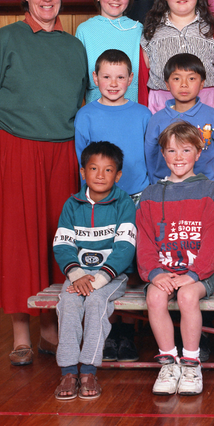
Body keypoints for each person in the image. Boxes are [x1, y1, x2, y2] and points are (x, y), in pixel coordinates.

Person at [0, 0, 89, 366]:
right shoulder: (5, 40)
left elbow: (79, 101)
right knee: (18, 242)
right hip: (14, 148)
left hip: (61, 151)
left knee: (59, 238)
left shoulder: (74, 47)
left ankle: (50, 331)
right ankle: (21, 336)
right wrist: (1, 150)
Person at [139, 122, 214, 397]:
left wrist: (193, 274)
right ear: (163, 154)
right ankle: (169, 364)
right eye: (171, 151)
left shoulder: (209, 189)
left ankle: (191, 364)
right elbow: (145, 241)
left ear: (199, 153)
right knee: (155, 297)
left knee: (187, 297)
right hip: (165, 268)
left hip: (202, 269)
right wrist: (155, 273)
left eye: (186, 150)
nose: (178, 157)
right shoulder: (151, 194)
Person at [51, 141, 137, 401]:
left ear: (118, 175)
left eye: (108, 170)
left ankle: (88, 371)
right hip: (78, 275)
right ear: (83, 172)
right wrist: (77, 275)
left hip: (111, 276)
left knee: (96, 302)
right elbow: (63, 245)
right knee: (68, 302)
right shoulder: (72, 204)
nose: (100, 175)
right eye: (93, 168)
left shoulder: (124, 204)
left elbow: (125, 248)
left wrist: (98, 280)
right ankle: (68, 371)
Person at [137, 0, 214, 115]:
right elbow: (145, 71)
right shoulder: (151, 30)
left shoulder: (212, 30)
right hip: (161, 104)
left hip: (205, 102)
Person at [74, 50, 152, 199]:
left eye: (120, 77)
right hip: (100, 194)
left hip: (139, 194)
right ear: (95, 78)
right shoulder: (85, 115)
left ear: (130, 79)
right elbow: (82, 161)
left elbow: (152, 157)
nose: (114, 84)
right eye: (106, 77)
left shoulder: (143, 114)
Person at [146, 53, 214, 187]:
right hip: (168, 188)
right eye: (177, 78)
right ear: (167, 84)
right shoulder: (157, 120)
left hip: (209, 187)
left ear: (202, 84)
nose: (184, 84)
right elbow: (151, 157)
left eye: (191, 78)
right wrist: (156, 185)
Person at [76, 0, 142, 104]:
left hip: (132, 104)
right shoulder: (84, 30)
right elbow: (78, 78)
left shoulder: (138, 29)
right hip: (96, 104)